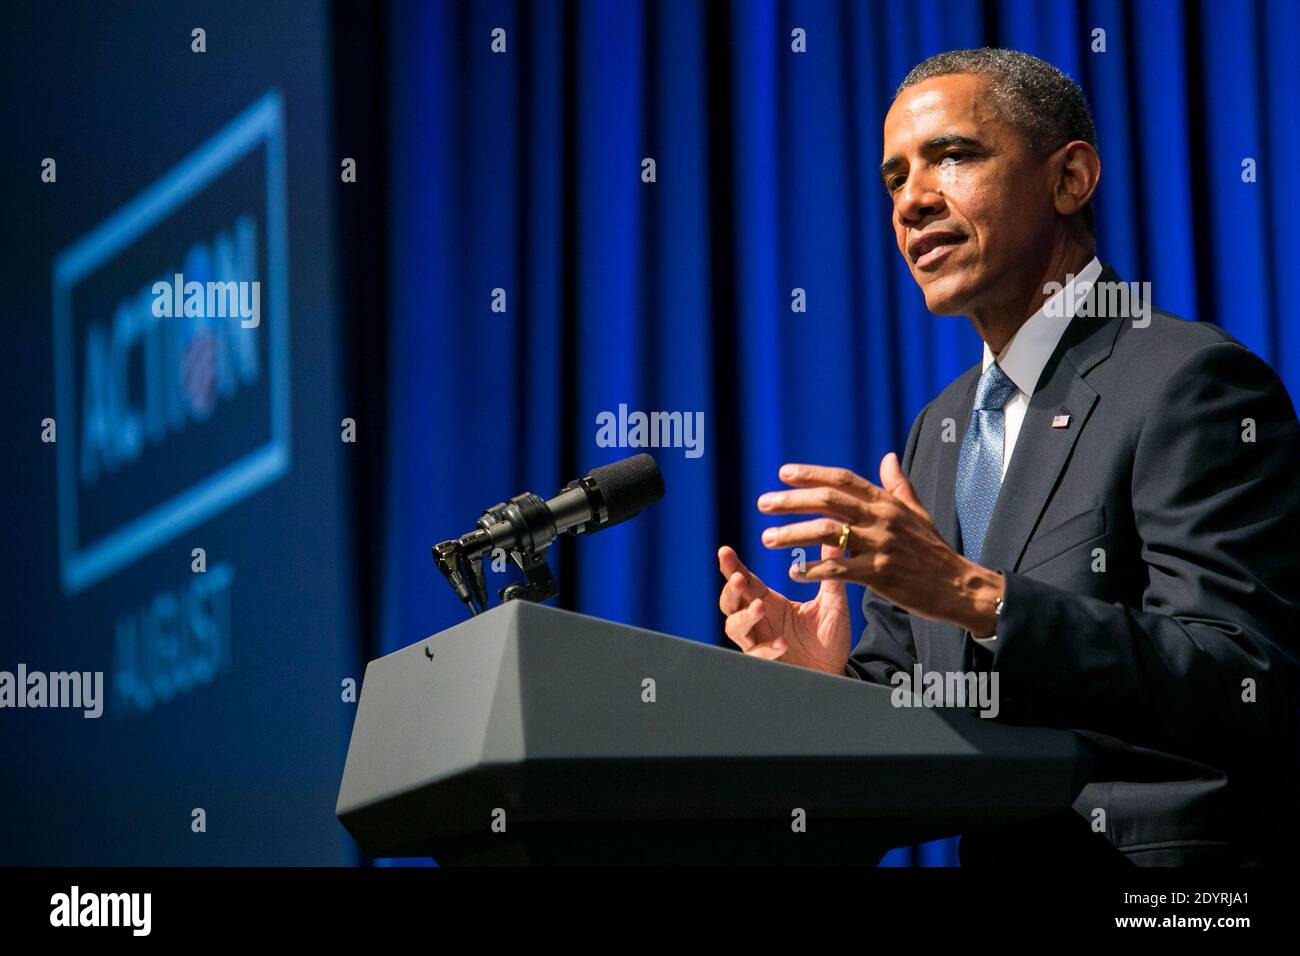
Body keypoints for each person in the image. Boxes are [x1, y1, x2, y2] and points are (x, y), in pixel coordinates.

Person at [717, 48, 1300, 866]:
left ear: (1070, 180)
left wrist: (970, 593)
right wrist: (824, 685)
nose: (912, 201)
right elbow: (930, 709)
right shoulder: (940, 429)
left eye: (953, 157)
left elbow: (1250, 681)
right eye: (894, 179)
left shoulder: (1190, 383)